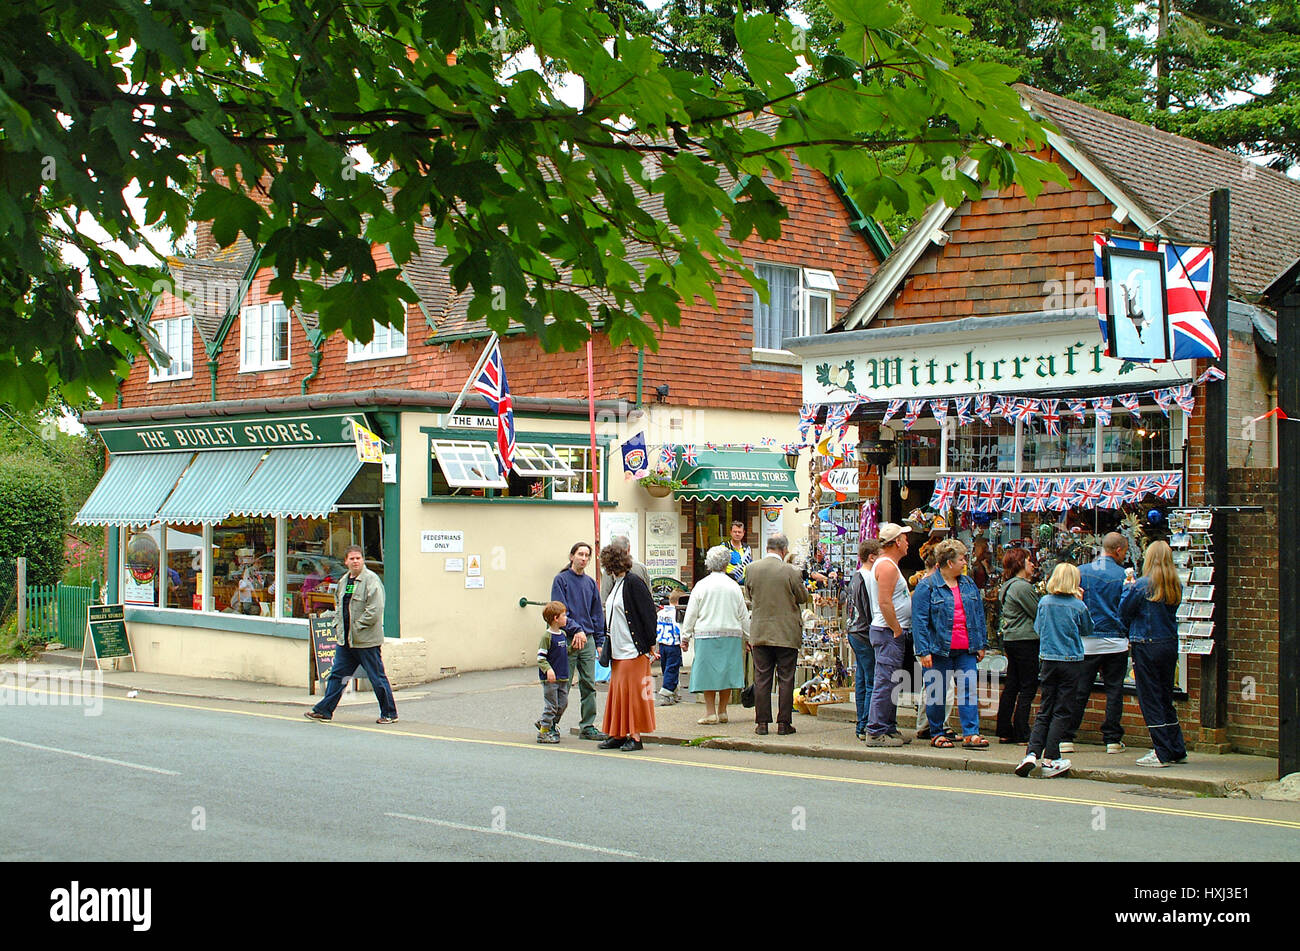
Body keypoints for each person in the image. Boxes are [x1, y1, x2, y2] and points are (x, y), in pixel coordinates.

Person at [305, 545, 399, 724]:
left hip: (366, 641)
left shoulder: (371, 581)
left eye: (358, 558)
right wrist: (337, 625)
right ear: (346, 561)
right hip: (346, 641)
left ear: (363, 560)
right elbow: (339, 605)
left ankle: (389, 713)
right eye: (352, 558)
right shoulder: (344, 581)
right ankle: (324, 711)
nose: (355, 561)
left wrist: (357, 627)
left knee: (376, 676)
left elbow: (375, 610)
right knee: (337, 676)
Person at [1015, 562, 1093, 778]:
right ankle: (1050, 759)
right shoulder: (1078, 606)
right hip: (1071, 661)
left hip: (1048, 660)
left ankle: (1031, 753)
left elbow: (1038, 629)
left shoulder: (1044, 602)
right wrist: (1081, 602)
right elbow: (1087, 629)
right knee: (1062, 710)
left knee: (1045, 708)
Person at [911, 539, 990, 750]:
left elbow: (978, 615)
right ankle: (936, 731)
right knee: (937, 692)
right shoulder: (926, 587)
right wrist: (923, 651)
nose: (965, 563)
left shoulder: (968, 584)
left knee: (969, 689)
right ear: (949, 562)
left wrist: (981, 643)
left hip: (966, 647)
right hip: (938, 649)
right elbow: (919, 621)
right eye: (961, 559)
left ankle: (971, 733)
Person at [1122, 541, 1188, 768]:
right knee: (1165, 696)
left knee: (1150, 699)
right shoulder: (1174, 583)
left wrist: (1126, 588)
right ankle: (1176, 747)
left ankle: (1161, 752)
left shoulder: (1141, 585)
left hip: (1146, 645)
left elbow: (1124, 611)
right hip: (1168, 644)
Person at [1063, 532, 1131, 754]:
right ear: (1119, 550)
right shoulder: (1124, 575)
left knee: (1080, 690)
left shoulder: (1081, 572)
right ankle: (1112, 739)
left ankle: (1067, 737)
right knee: (1114, 691)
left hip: (1087, 642)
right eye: (1125, 551)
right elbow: (1128, 608)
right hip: (1115, 642)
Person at [596, 545, 659, 752]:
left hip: (633, 649)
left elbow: (648, 612)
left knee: (635, 693)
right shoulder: (618, 583)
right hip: (619, 648)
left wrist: (651, 642)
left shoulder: (633, 583)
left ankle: (635, 736)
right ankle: (619, 733)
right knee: (620, 693)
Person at [744, 533, 807, 735]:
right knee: (786, 678)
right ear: (784, 550)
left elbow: (750, 595)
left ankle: (762, 723)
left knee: (762, 678)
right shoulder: (791, 571)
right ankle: (783, 723)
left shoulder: (751, 569)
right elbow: (802, 597)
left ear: (767, 547)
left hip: (760, 631)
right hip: (786, 633)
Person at [682, 545, 751, 724]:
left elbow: (691, 613)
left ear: (708, 564)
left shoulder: (701, 586)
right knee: (727, 674)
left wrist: (685, 636)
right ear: (726, 563)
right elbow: (743, 614)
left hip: (706, 634)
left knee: (708, 675)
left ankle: (710, 712)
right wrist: (749, 637)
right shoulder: (734, 586)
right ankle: (723, 711)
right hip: (731, 634)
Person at [550, 542, 607, 741]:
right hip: (567, 639)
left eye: (587, 555)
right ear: (572, 556)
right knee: (562, 684)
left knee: (589, 684)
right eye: (580, 554)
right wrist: (576, 630)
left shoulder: (591, 583)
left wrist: (599, 641)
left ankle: (588, 725)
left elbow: (597, 614)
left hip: (588, 639)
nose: (584, 558)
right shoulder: (561, 580)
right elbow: (559, 611)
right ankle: (550, 724)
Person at [863, 523, 913, 747]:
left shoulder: (889, 565)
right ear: (896, 543)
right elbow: (884, 602)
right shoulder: (887, 567)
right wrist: (896, 629)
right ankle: (875, 731)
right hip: (887, 632)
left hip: (889, 631)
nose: (907, 543)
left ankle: (888, 727)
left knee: (893, 681)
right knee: (885, 681)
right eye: (904, 538)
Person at [995, 548, 1042, 745]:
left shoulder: (1007, 586)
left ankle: (1004, 729)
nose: (1033, 564)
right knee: (1028, 686)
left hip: (1012, 639)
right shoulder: (1022, 587)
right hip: (1025, 640)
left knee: (1012, 684)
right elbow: (1037, 612)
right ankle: (1022, 731)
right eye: (1029, 561)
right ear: (1021, 563)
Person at [845, 538, 881, 741]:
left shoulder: (856, 576)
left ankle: (861, 723)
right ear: (872, 556)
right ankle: (865, 724)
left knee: (861, 679)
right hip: (864, 632)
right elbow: (871, 607)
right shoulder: (869, 577)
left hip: (854, 630)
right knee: (871, 681)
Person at [536, 601, 571, 743]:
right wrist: (548, 670)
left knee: (562, 704)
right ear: (556, 618)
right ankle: (543, 732)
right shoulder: (547, 637)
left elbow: (564, 653)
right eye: (564, 615)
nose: (566, 618)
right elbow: (541, 658)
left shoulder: (562, 634)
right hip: (550, 679)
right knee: (551, 705)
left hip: (562, 677)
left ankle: (545, 723)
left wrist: (574, 648)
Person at [655, 591, 684, 706]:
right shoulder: (677, 614)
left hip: (662, 643)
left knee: (666, 668)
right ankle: (666, 693)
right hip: (673, 644)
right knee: (672, 668)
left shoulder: (661, 612)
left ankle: (674, 690)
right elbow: (679, 629)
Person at [724, 519, 752, 584]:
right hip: (728, 583)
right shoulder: (724, 547)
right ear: (730, 532)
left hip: (744, 583)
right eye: (735, 532)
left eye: (739, 532)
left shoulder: (747, 548)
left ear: (743, 533)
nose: (737, 534)